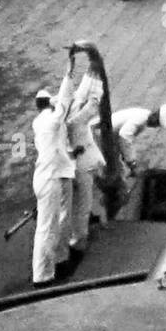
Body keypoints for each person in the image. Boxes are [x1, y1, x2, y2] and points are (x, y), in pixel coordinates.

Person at [30, 61, 76, 287]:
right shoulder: (50, 121)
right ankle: (41, 276)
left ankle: (55, 261)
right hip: (49, 180)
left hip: (46, 177)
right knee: (47, 228)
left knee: (50, 226)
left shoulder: (38, 122)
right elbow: (64, 105)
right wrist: (68, 73)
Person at [65, 70, 105, 252]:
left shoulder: (67, 119)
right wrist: (97, 81)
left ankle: (80, 232)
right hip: (84, 167)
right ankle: (79, 239)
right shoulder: (76, 121)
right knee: (83, 204)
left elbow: (79, 96)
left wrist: (89, 76)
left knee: (80, 204)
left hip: (79, 165)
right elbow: (93, 104)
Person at [109, 103, 166, 175]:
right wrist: (131, 161)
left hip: (111, 135)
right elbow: (124, 136)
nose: (154, 126)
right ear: (155, 116)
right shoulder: (141, 120)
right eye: (156, 123)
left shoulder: (144, 115)